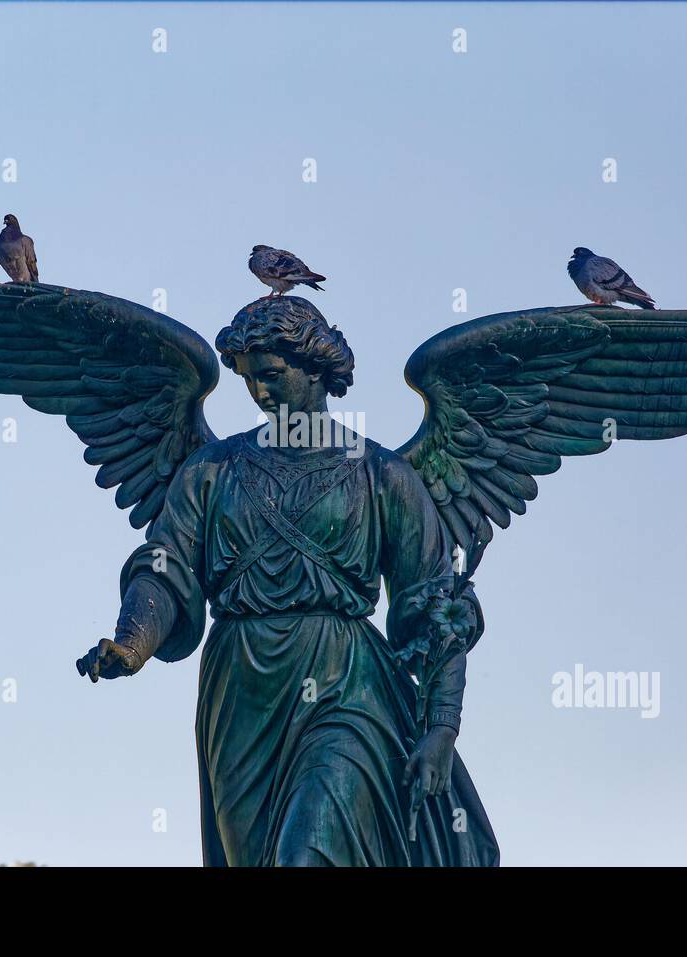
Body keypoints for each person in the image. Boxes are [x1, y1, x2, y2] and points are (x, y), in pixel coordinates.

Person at [77, 296, 499, 866]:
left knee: (313, 846)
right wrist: (132, 641)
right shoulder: (210, 471)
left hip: (347, 684)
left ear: (317, 368)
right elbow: (165, 564)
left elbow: (437, 609)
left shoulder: (384, 475)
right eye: (248, 381)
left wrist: (442, 727)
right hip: (241, 689)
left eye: (271, 375)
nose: (258, 393)